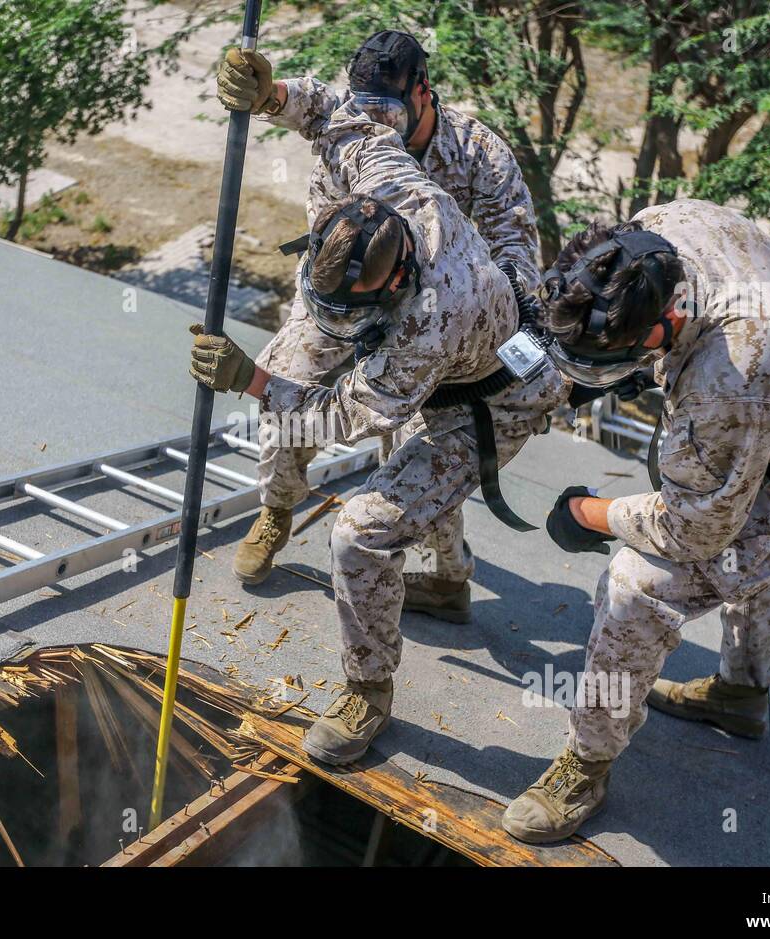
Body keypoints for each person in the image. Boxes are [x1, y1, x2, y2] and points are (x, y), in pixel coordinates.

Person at [501, 199, 770, 844]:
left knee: (636, 587)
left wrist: (589, 514)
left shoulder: (727, 377)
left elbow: (694, 530)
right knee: (756, 560)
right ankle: (743, 696)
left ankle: (586, 763)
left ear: (670, 318)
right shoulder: (664, 230)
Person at [188, 99, 567, 765]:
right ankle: (448, 588)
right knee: (412, 478)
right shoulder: (387, 179)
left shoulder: (428, 321)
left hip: (496, 400)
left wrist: (252, 381)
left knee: (363, 530)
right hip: (456, 366)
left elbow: (341, 416)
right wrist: (276, 94)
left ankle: (368, 690)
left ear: (395, 281)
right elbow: (338, 120)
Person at [216, 31, 540, 626]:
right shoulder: (365, 132)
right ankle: (278, 508)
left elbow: (517, 250)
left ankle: (447, 575)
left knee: (419, 450)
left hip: (428, 317)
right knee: (286, 384)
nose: (377, 122)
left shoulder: (479, 154)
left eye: (388, 109)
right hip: (338, 301)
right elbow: (319, 106)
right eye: (366, 108)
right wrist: (268, 93)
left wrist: (489, 306)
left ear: (423, 90)